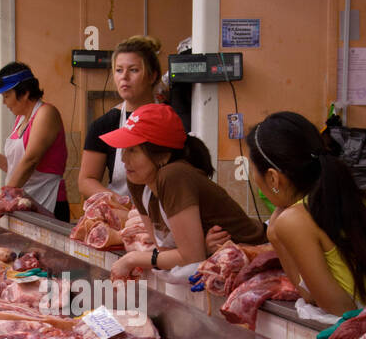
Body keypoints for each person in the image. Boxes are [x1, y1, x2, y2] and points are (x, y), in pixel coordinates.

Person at [216, 110, 366, 315]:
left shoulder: (294, 220)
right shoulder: (348, 197)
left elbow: (332, 305)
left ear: (273, 178)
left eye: (253, 169)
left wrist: (275, 232)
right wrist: (275, 234)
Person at [104, 104, 265, 283]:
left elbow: (189, 257)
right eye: (124, 150)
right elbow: (165, 250)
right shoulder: (138, 182)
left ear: (162, 155)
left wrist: (132, 259)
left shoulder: (173, 175)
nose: (124, 159)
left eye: (133, 150)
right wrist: (201, 248)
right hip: (220, 268)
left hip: (256, 258)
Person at [0, 61, 69, 220]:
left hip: (48, 203)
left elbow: (30, 160)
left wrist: (3, 197)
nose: (4, 102)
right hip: (24, 204)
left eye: (7, 96)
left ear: (25, 93)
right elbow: (16, 167)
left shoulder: (46, 113)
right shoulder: (21, 119)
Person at [78, 35, 163, 201]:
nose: (124, 77)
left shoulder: (170, 121)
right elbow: (86, 180)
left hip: (165, 215)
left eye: (133, 70)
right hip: (121, 215)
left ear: (152, 76)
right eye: (118, 70)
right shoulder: (104, 125)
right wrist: (122, 204)